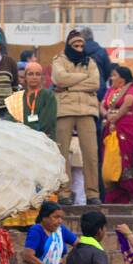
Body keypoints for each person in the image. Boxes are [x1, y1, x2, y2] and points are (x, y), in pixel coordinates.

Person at [52, 30, 102, 203]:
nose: (79, 49)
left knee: (91, 154)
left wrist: (69, 86)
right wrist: (82, 79)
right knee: (62, 153)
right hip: (65, 109)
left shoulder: (91, 62)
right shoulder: (59, 60)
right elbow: (60, 79)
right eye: (76, 45)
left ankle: (93, 194)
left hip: (87, 110)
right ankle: (64, 193)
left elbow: (95, 83)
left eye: (82, 45)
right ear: (69, 45)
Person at [101, 65, 133, 204]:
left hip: (125, 127)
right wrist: (107, 116)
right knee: (110, 159)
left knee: (124, 158)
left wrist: (114, 118)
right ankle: (114, 193)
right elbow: (102, 104)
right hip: (110, 127)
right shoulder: (111, 89)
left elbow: (128, 104)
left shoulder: (131, 88)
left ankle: (129, 193)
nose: (112, 78)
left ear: (122, 79)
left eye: (115, 75)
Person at [6, 61, 57, 138]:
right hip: (21, 137)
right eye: (30, 74)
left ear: (41, 77)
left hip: (43, 138)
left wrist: (32, 134)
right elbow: (10, 119)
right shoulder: (17, 97)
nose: (34, 77)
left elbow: (47, 122)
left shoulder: (48, 95)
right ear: (25, 77)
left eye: (37, 74)